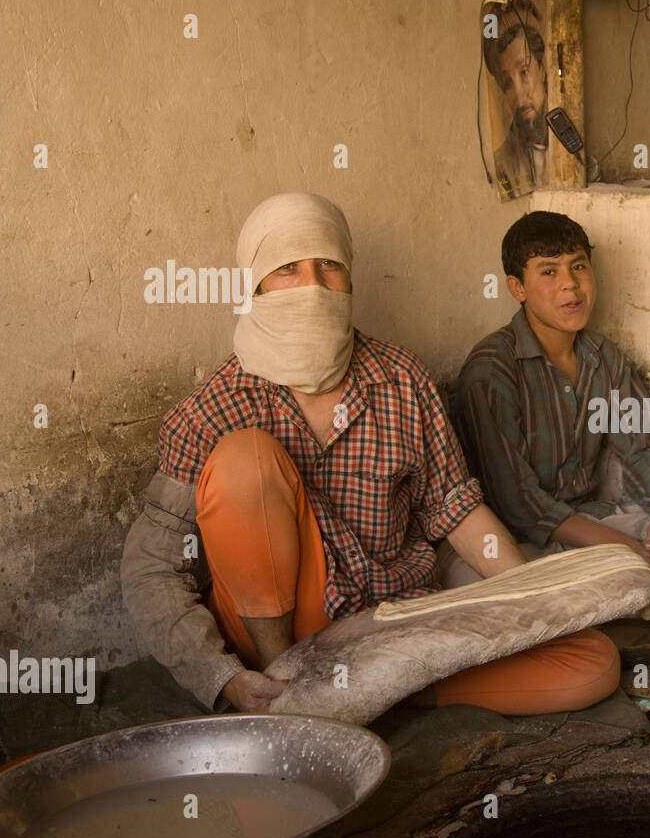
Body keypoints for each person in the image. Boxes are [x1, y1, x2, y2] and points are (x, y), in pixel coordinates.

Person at [120, 194, 619, 716]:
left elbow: (458, 512)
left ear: (350, 279)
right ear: (256, 285)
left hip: (388, 627)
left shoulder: (401, 378)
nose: (312, 284)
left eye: (328, 266)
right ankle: (292, 689)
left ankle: (372, 693)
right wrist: (221, 678)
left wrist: (531, 599)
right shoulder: (214, 406)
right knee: (245, 460)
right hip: (278, 636)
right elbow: (154, 568)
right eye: (287, 267)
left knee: (591, 660)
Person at [447, 211, 650, 596]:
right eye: (548, 272)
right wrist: (626, 549)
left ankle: (613, 585)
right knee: (468, 577)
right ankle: (623, 578)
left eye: (578, 266)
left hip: (593, 524)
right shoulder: (492, 371)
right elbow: (519, 505)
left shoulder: (603, 357)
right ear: (517, 287)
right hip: (520, 542)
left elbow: (637, 450)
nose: (571, 287)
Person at [482, 0, 549, 200]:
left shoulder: (570, 147)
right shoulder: (505, 163)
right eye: (507, 82)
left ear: (543, 69)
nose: (519, 95)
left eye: (524, 71)